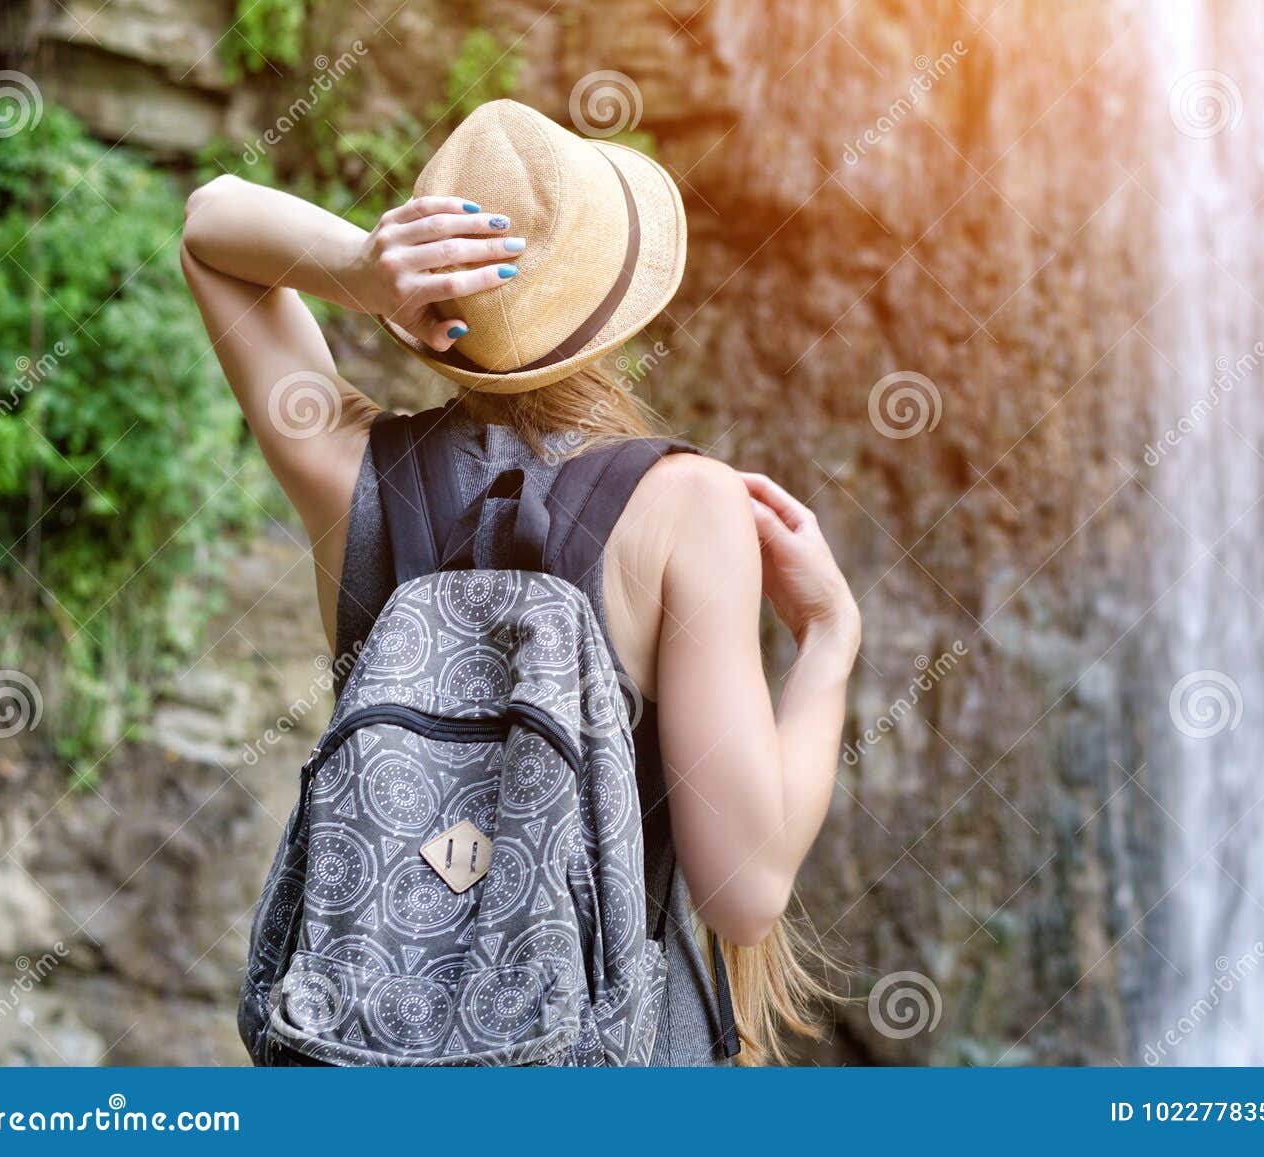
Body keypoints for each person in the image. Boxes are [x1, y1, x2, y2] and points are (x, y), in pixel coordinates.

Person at [180, 100, 859, 1065]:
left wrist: (364, 273)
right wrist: (828, 642)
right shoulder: (687, 505)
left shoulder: (350, 470)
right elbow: (744, 891)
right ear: (621, 308)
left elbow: (211, 223)